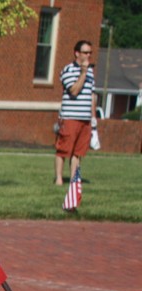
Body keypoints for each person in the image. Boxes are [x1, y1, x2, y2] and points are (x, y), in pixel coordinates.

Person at [54, 40, 97, 185]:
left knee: (78, 152)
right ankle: (59, 178)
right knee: (63, 149)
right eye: (85, 52)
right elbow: (73, 91)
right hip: (70, 117)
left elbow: (92, 95)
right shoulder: (68, 70)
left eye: (90, 53)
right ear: (77, 53)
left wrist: (93, 118)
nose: (88, 55)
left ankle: (74, 179)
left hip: (85, 118)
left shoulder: (91, 72)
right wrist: (83, 72)